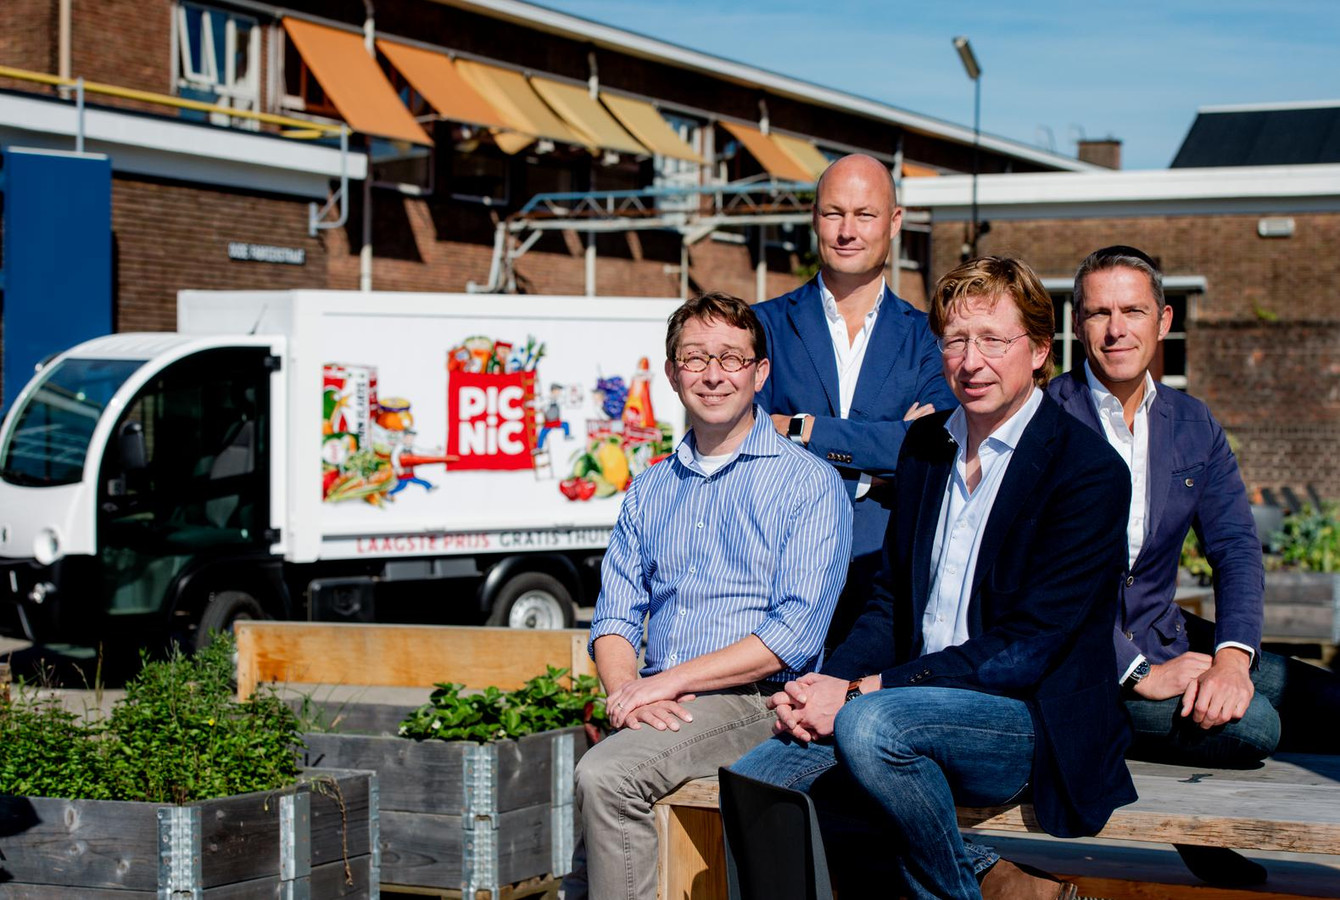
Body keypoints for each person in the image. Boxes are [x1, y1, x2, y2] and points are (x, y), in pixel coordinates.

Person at [732, 257, 1135, 900]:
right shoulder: (924, 446)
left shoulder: (1087, 471)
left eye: (993, 340)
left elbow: (1026, 649)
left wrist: (860, 693)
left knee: (870, 730)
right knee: (758, 782)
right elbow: (892, 601)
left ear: (1038, 350)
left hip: (1026, 718)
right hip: (904, 704)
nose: (971, 362)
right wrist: (826, 685)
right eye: (955, 340)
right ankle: (987, 875)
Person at [1049, 245, 1340, 885]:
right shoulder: (1044, 419)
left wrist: (1231, 658)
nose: (1116, 329)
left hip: (1168, 634)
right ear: (1077, 324)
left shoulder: (1191, 422)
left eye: (1133, 311)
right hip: (1078, 660)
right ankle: (1191, 819)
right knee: (1254, 727)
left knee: (1327, 701)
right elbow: (1036, 584)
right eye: (1099, 313)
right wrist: (1139, 671)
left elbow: (1235, 547)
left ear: (1164, 320)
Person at [559, 292, 852, 900]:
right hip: (663, 705)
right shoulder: (649, 489)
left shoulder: (809, 483)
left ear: (759, 373)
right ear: (672, 374)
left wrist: (662, 685)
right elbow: (615, 617)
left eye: (731, 358)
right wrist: (626, 694)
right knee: (587, 865)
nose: (713, 375)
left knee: (608, 775)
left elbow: (793, 636)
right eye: (695, 358)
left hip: (756, 701)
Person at [753, 153, 956, 645]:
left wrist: (801, 428)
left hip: (885, 583)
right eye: (833, 213)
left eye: (865, 215)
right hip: (773, 577)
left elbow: (928, 447)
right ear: (814, 218)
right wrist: (880, 463)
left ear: (894, 222)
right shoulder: (761, 327)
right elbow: (749, 448)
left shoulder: (932, 339)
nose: (847, 231)